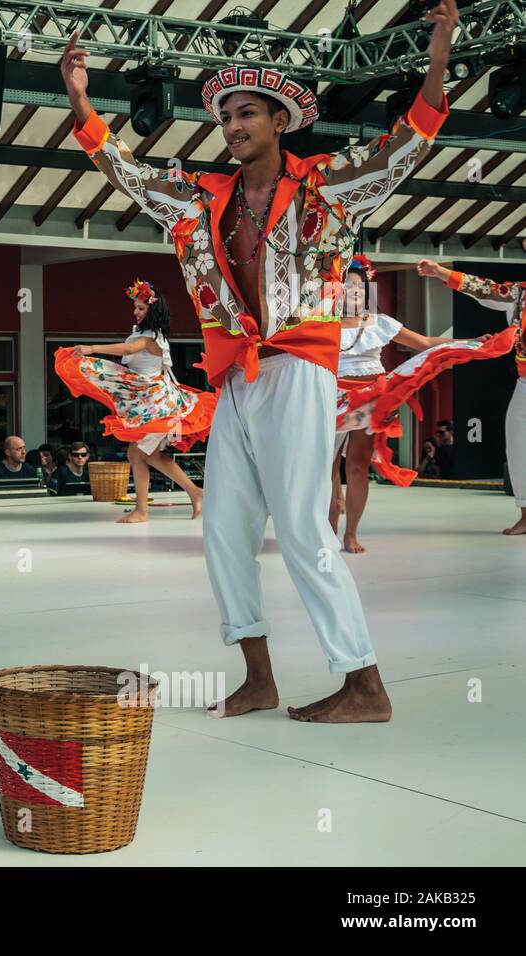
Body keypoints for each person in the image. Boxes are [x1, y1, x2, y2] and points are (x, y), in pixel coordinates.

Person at [59, 0, 458, 723]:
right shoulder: (196, 201)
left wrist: (437, 58)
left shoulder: (328, 188)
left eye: (248, 114)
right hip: (234, 378)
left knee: (303, 528)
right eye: (227, 118)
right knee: (224, 530)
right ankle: (258, 676)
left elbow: (406, 146)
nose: (235, 127)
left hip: (299, 370)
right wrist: (82, 103)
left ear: (281, 121)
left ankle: (364, 685)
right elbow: (125, 172)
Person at [330, 253, 500, 553]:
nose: (354, 292)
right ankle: (327, 534)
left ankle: (350, 534)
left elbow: (426, 343)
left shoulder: (379, 323)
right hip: (332, 399)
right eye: (347, 287)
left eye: (359, 287)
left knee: (357, 468)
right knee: (326, 471)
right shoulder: (322, 325)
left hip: (371, 400)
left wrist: (471, 342)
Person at [55, 279, 212, 522]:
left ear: (153, 309)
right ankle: (189, 494)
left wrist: (91, 348)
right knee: (143, 455)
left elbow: (128, 351)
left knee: (139, 454)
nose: (136, 312)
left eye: (141, 308)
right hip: (150, 402)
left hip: (157, 405)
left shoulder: (151, 337)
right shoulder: (144, 334)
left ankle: (150, 507)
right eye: (135, 307)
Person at [418, 258, 526, 534]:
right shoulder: (520, 293)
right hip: (525, 381)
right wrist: (442, 272)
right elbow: (484, 289)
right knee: (518, 447)